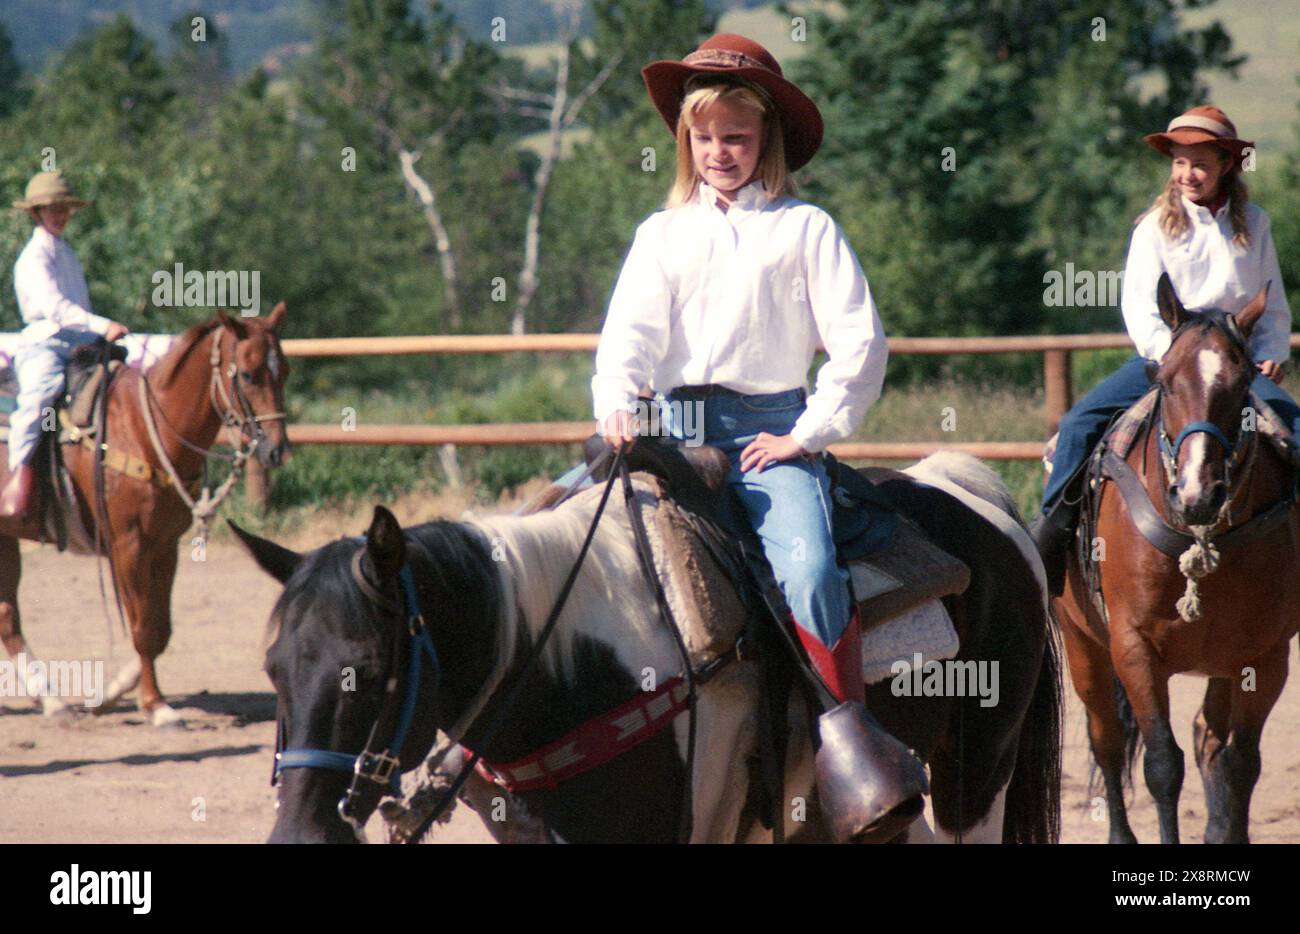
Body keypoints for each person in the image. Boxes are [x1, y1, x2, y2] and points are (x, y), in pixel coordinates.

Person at [591, 33, 926, 841]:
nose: (719, 152)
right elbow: (625, 340)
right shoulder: (660, 235)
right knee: (573, 534)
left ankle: (848, 740)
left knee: (810, 566)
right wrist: (616, 399)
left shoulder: (806, 229)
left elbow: (860, 346)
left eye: (735, 138)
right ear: (685, 142)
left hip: (769, 429)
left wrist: (807, 436)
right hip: (671, 429)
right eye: (704, 139)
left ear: (766, 140)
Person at [1030, 106, 1296, 594]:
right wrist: (1170, 358)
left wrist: (1273, 348)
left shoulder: (1255, 223)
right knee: (1077, 427)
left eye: (1199, 163)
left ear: (1225, 166)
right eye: (1179, 163)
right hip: (1169, 358)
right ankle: (1046, 552)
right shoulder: (1154, 227)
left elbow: (1272, 303)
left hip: (1235, 361)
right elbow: (1138, 305)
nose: (1188, 174)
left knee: (1294, 432)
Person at [1, 171, 130, 519]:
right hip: (44, 342)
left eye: (64, 208)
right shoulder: (33, 258)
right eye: (52, 208)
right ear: (37, 212)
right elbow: (55, 308)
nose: (60, 215)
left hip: (78, 342)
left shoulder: (67, 254)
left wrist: (97, 334)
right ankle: (19, 476)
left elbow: (77, 307)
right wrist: (103, 325)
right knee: (41, 392)